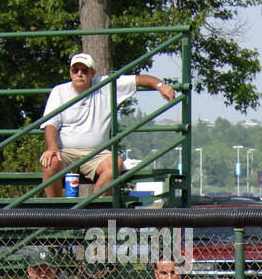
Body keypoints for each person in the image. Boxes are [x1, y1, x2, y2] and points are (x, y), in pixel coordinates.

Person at [40, 52, 176, 199]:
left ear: (92, 73)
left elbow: (139, 79)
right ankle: (57, 216)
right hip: (66, 152)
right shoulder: (59, 91)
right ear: (70, 73)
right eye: (75, 70)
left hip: (96, 154)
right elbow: (50, 124)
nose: (79, 74)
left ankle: (91, 216)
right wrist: (52, 148)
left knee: (115, 164)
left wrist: (160, 85)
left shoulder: (106, 85)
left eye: (84, 70)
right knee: (50, 161)